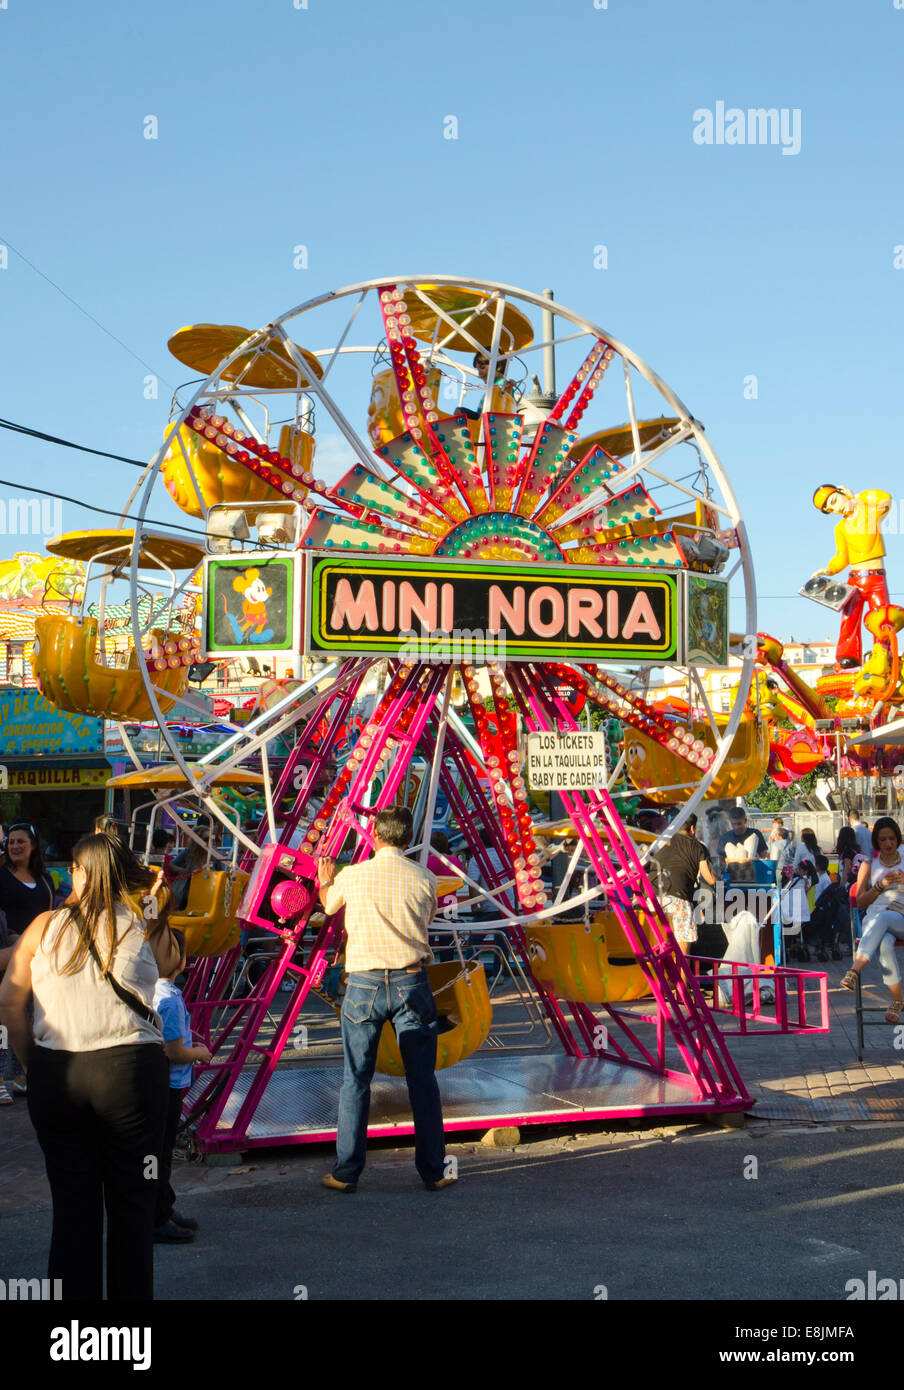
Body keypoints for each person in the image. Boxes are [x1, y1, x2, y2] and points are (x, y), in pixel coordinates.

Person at [0, 833, 179, 1300]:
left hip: (58, 1074)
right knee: (134, 1203)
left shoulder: (43, 927)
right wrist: (157, 903)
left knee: (73, 1207)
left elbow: (8, 1001)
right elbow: (170, 965)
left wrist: (31, 1064)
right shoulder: (138, 923)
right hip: (132, 1076)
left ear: (78, 872)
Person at [316, 806, 452, 1193]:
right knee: (422, 1080)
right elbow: (426, 922)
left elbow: (328, 907)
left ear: (374, 834)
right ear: (408, 838)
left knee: (355, 1079)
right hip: (411, 980)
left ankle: (346, 1172)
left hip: (363, 983)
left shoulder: (353, 876)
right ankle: (433, 1170)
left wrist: (325, 881)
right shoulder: (425, 878)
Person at [152, 928, 211, 1244]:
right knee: (160, 1154)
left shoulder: (149, 990)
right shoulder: (171, 1000)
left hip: (154, 1083)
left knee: (157, 1153)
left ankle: (163, 1206)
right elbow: (174, 1052)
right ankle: (157, 1216)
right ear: (183, 961)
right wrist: (199, 1053)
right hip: (170, 1085)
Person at [811, 484, 891, 668]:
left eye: (834, 501)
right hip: (855, 578)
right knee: (849, 616)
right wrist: (828, 570)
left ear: (841, 492)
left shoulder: (870, 513)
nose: (836, 508)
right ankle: (848, 655)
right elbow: (842, 556)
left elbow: (885, 497)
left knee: (881, 616)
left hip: (876, 577)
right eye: (831, 509)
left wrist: (856, 497)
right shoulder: (840, 528)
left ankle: (883, 654)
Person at [842, 817, 904, 1022]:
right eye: (883, 839)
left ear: (898, 839)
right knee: (884, 944)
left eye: (892, 839)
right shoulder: (869, 864)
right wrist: (881, 885)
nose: (888, 843)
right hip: (874, 920)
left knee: (884, 917)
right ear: (876, 841)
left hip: (901, 917)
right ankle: (897, 999)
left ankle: (855, 969)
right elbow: (860, 903)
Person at [651, 814, 716, 955]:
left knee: (656, 951)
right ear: (692, 829)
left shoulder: (658, 842)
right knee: (681, 957)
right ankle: (680, 977)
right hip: (678, 900)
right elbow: (710, 879)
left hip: (651, 899)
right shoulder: (697, 847)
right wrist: (710, 862)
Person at [0, 822, 55, 936]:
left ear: (33, 845)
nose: (15, 846)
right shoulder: (2, 876)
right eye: (11, 842)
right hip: (12, 949)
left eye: (20, 841)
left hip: (41, 947)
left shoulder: (45, 879)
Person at [718, 808, 768, 878]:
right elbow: (721, 859)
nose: (736, 827)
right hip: (733, 877)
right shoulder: (725, 838)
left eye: (739, 823)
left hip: (754, 876)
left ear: (745, 820)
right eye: (733, 824)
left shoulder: (755, 834)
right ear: (730, 822)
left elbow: (764, 855)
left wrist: (754, 859)